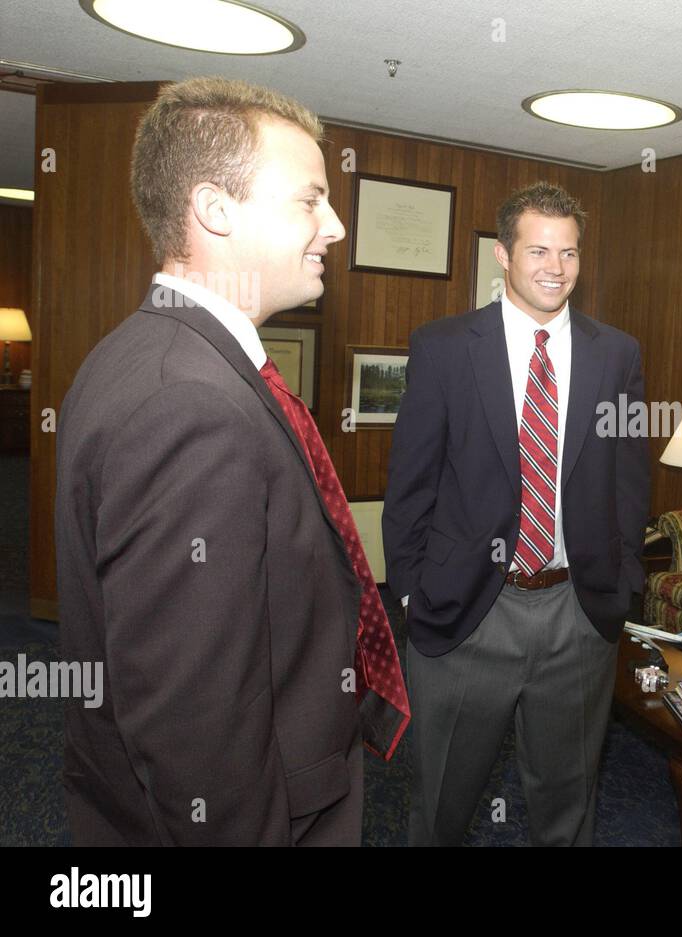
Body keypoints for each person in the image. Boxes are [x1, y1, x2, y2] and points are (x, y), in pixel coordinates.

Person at [56, 77, 407, 845]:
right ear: (215, 210)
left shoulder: (136, 353)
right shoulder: (190, 407)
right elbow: (195, 733)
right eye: (310, 199)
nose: (336, 226)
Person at [384, 181, 649, 846]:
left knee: (569, 809)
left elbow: (629, 480)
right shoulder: (443, 346)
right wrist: (414, 593)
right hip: (468, 611)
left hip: (577, 614)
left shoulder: (616, 353)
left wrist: (621, 590)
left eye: (569, 252)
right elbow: (410, 485)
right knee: (441, 805)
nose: (556, 267)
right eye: (539, 250)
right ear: (503, 255)